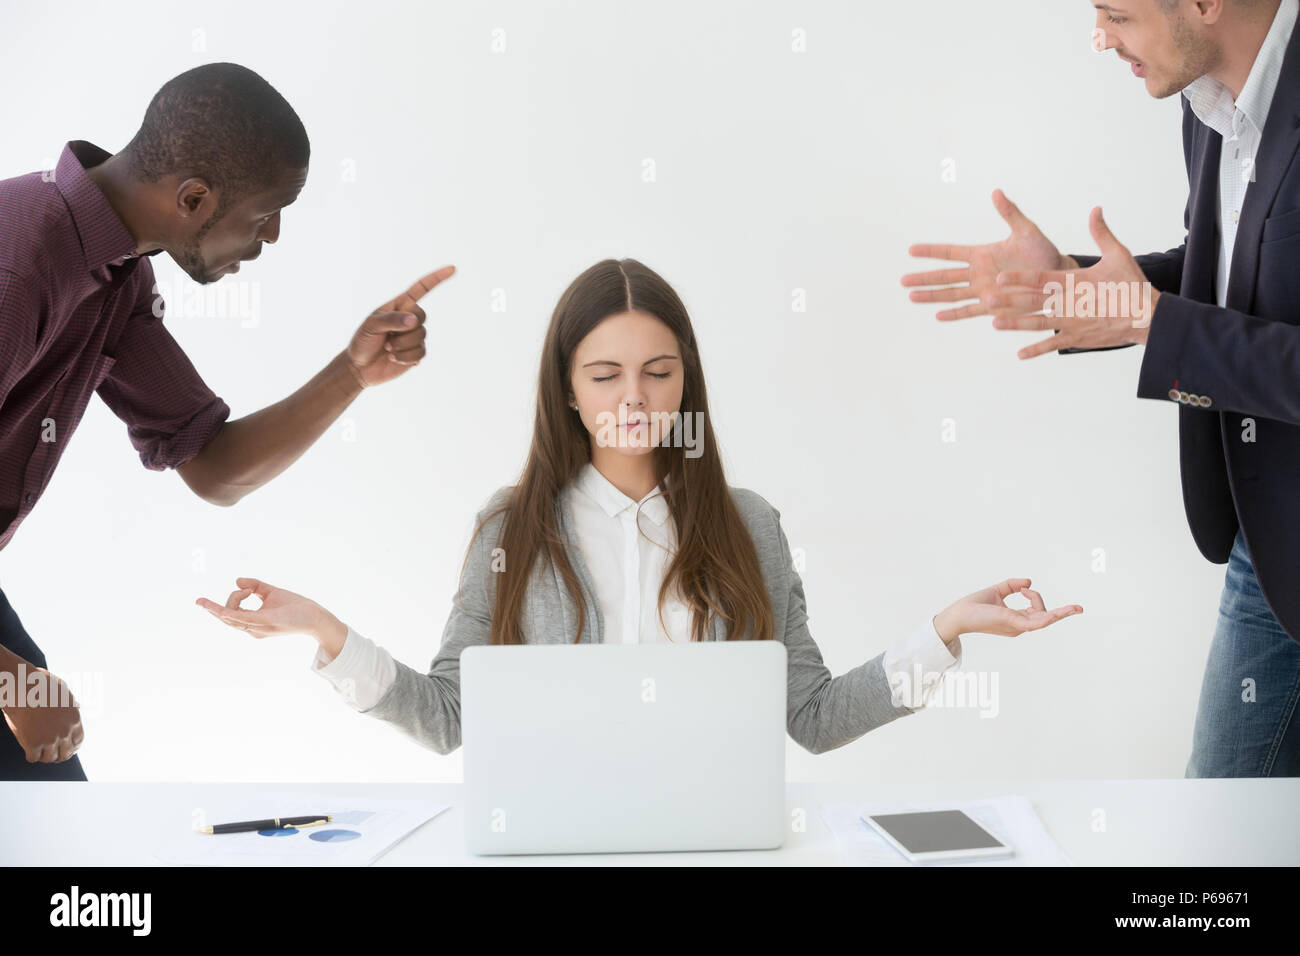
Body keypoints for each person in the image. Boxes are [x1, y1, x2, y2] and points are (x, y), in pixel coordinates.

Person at [196, 258, 1081, 757]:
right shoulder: (510, 529)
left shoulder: (749, 525)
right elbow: (449, 718)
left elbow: (811, 717)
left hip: (716, 847)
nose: (635, 397)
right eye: (605, 374)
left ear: (686, 380)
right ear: (569, 392)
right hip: (552, 850)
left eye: (659, 373)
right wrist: (325, 633)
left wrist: (945, 633)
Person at [0, 62, 454, 779]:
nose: (270, 237)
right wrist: (7, 678)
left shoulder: (118, 275)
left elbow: (211, 465)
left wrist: (354, 371)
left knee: (46, 801)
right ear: (193, 198)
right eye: (266, 211)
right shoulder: (18, 263)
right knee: (39, 799)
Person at [900, 0, 1300, 775]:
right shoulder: (1211, 102)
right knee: (1220, 834)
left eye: (1115, 14)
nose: (1100, 39)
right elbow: (1243, 274)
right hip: (1271, 540)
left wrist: (1157, 324)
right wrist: (1078, 287)